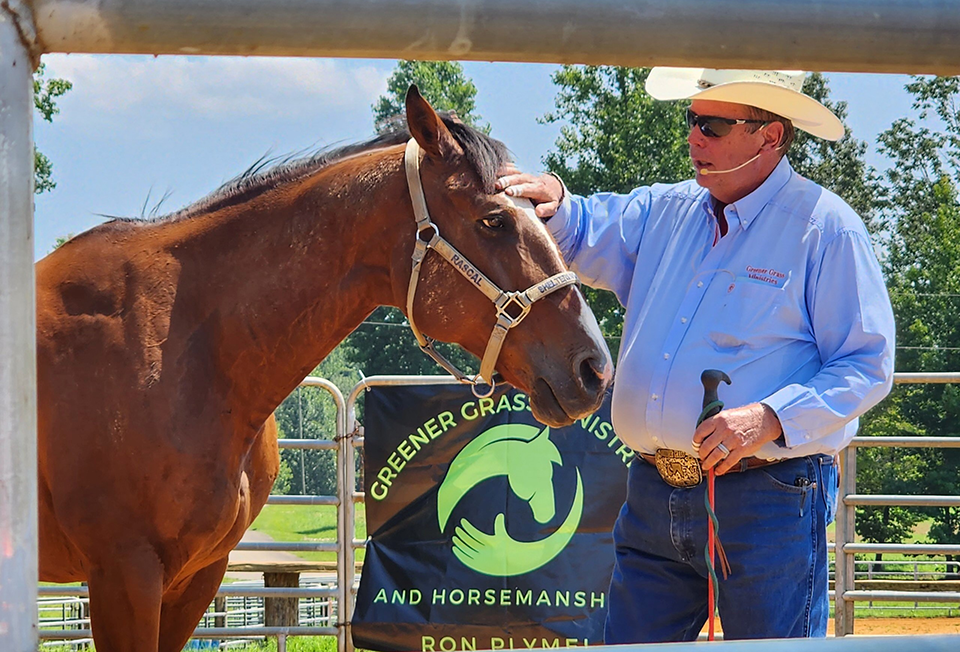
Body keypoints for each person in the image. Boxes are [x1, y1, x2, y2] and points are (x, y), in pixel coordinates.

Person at [497, 67, 895, 642]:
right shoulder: (665, 209)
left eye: (712, 123)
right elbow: (581, 228)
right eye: (692, 120)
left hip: (768, 498)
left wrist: (769, 418)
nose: (694, 138)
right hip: (656, 487)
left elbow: (867, 363)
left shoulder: (825, 230)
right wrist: (554, 203)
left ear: (770, 136)